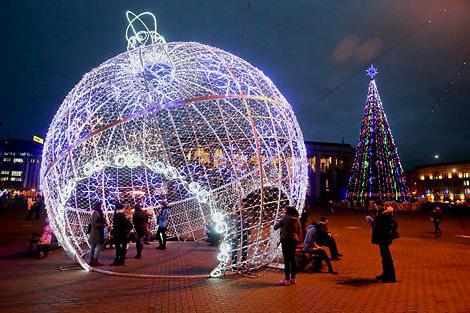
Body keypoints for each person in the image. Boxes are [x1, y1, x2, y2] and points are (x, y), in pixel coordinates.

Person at [366, 201, 399, 283]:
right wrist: (373, 222)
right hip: (383, 238)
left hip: (383, 238)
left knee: (386, 258)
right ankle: (386, 274)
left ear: (380, 206)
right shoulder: (382, 213)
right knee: (385, 257)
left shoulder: (384, 214)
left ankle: (390, 276)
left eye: (376, 205)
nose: (375, 207)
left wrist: (371, 222)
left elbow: (381, 226)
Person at [274, 206, 302, 286]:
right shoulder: (297, 220)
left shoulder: (284, 219)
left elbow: (275, 227)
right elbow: (300, 231)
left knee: (286, 260)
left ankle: (287, 279)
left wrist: (280, 221)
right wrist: (300, 241)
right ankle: (293, 278)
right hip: (294, 241)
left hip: (286, 240)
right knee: (292, 259)